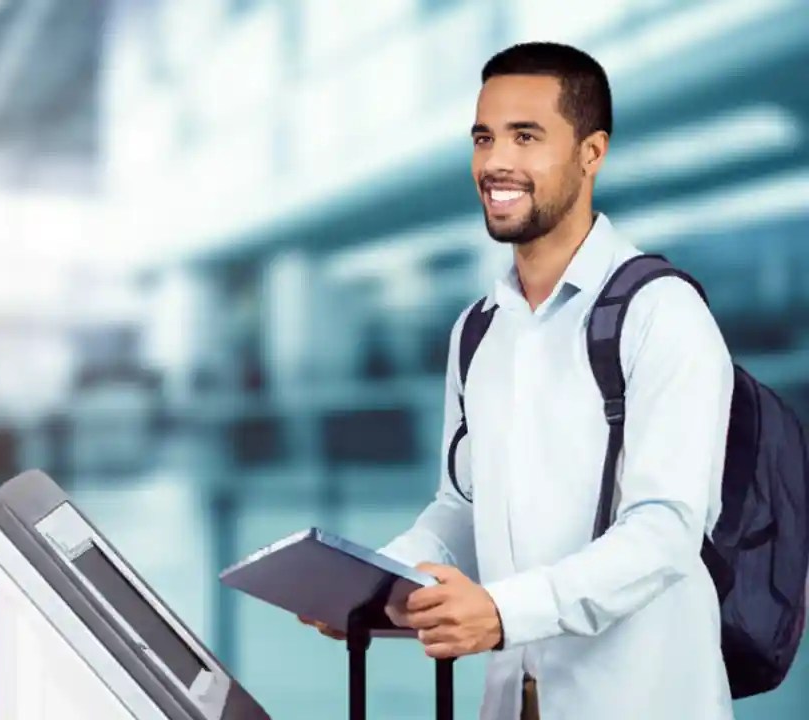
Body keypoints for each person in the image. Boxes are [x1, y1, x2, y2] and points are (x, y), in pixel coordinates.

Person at [301, 42, 734, 719]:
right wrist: (372, 583)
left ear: (592, 153)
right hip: (513, 702)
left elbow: (666, 530)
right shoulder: (478, 330)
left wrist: (503, 611)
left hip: (638, 700)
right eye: (484, 138)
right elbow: (462, 510)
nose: (496, 162)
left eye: (526, 137)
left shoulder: (661, 313)